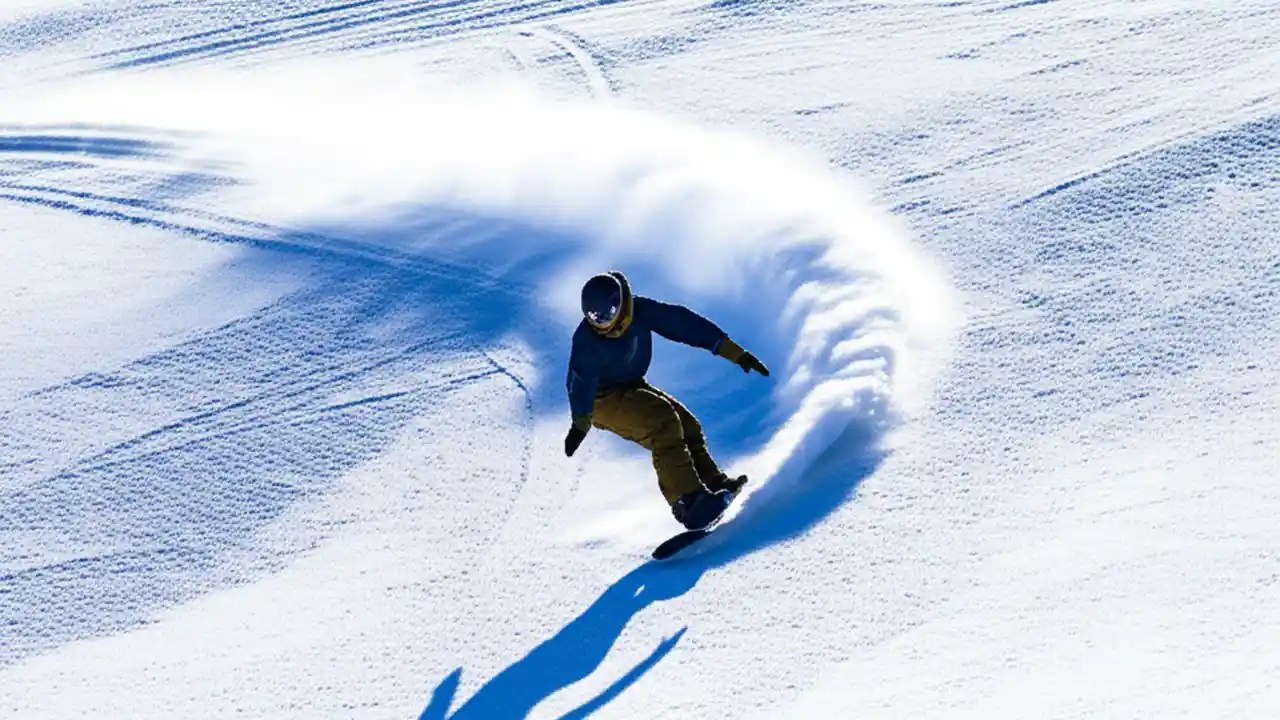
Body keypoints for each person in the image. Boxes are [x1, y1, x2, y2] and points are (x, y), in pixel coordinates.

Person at [564, 271, 770, 530]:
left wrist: (735, 353)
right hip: (601, 400)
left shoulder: (640, 310)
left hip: (631, 385)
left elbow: (683, 324)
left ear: (621, 300)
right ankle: (689, 502)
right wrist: (580, 422)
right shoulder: (586, 340)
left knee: (687, 425)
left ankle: (712, 486)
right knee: (662, 422)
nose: (605, 322)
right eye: (596, 317)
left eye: (609, 311)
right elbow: (580, 380)